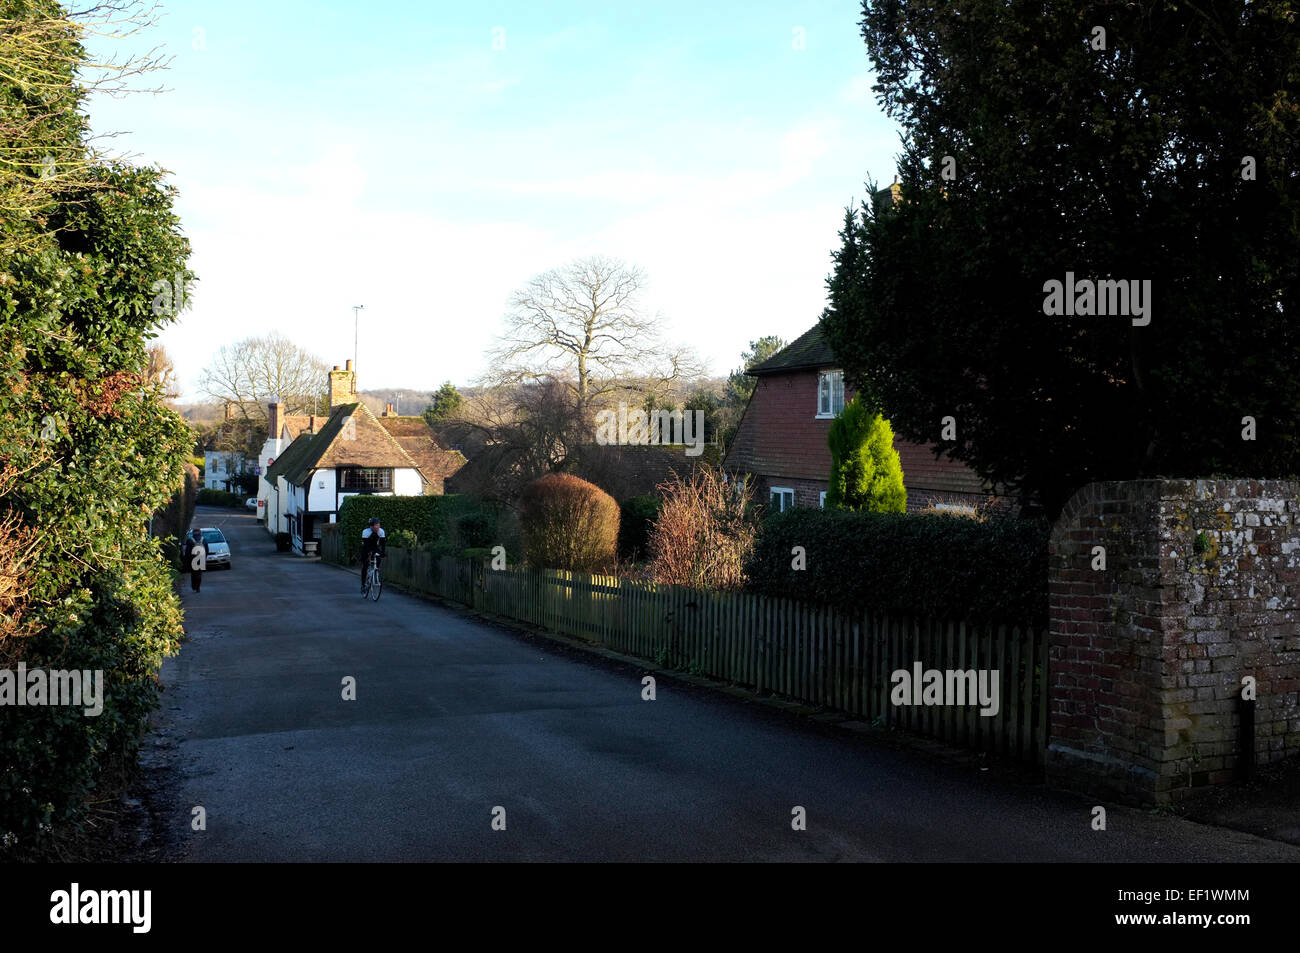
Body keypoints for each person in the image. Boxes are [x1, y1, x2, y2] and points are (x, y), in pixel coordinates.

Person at [359, 517, 386, 594]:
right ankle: (363, 584)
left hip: (374, 547)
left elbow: (383, 543)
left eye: (378, 525)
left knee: (379, 558)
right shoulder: (366, 532)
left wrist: (383, 552)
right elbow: (365, 545)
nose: (377, 527)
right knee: (365, 565)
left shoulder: (381, 531)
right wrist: (368, 553)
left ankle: (376, 571)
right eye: (375, 525)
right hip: (366, 547)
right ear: (371, 526)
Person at [181, 528, 206, 592]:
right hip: (201, 558)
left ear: (193, 533)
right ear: (200, 533)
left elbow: (187, 551)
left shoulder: (190, 540)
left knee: (194, 573)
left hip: (193, 559)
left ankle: (194, 586)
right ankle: (198, 587)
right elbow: (207, 549)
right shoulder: (203, 539)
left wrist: (187, 559)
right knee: (200, 573)